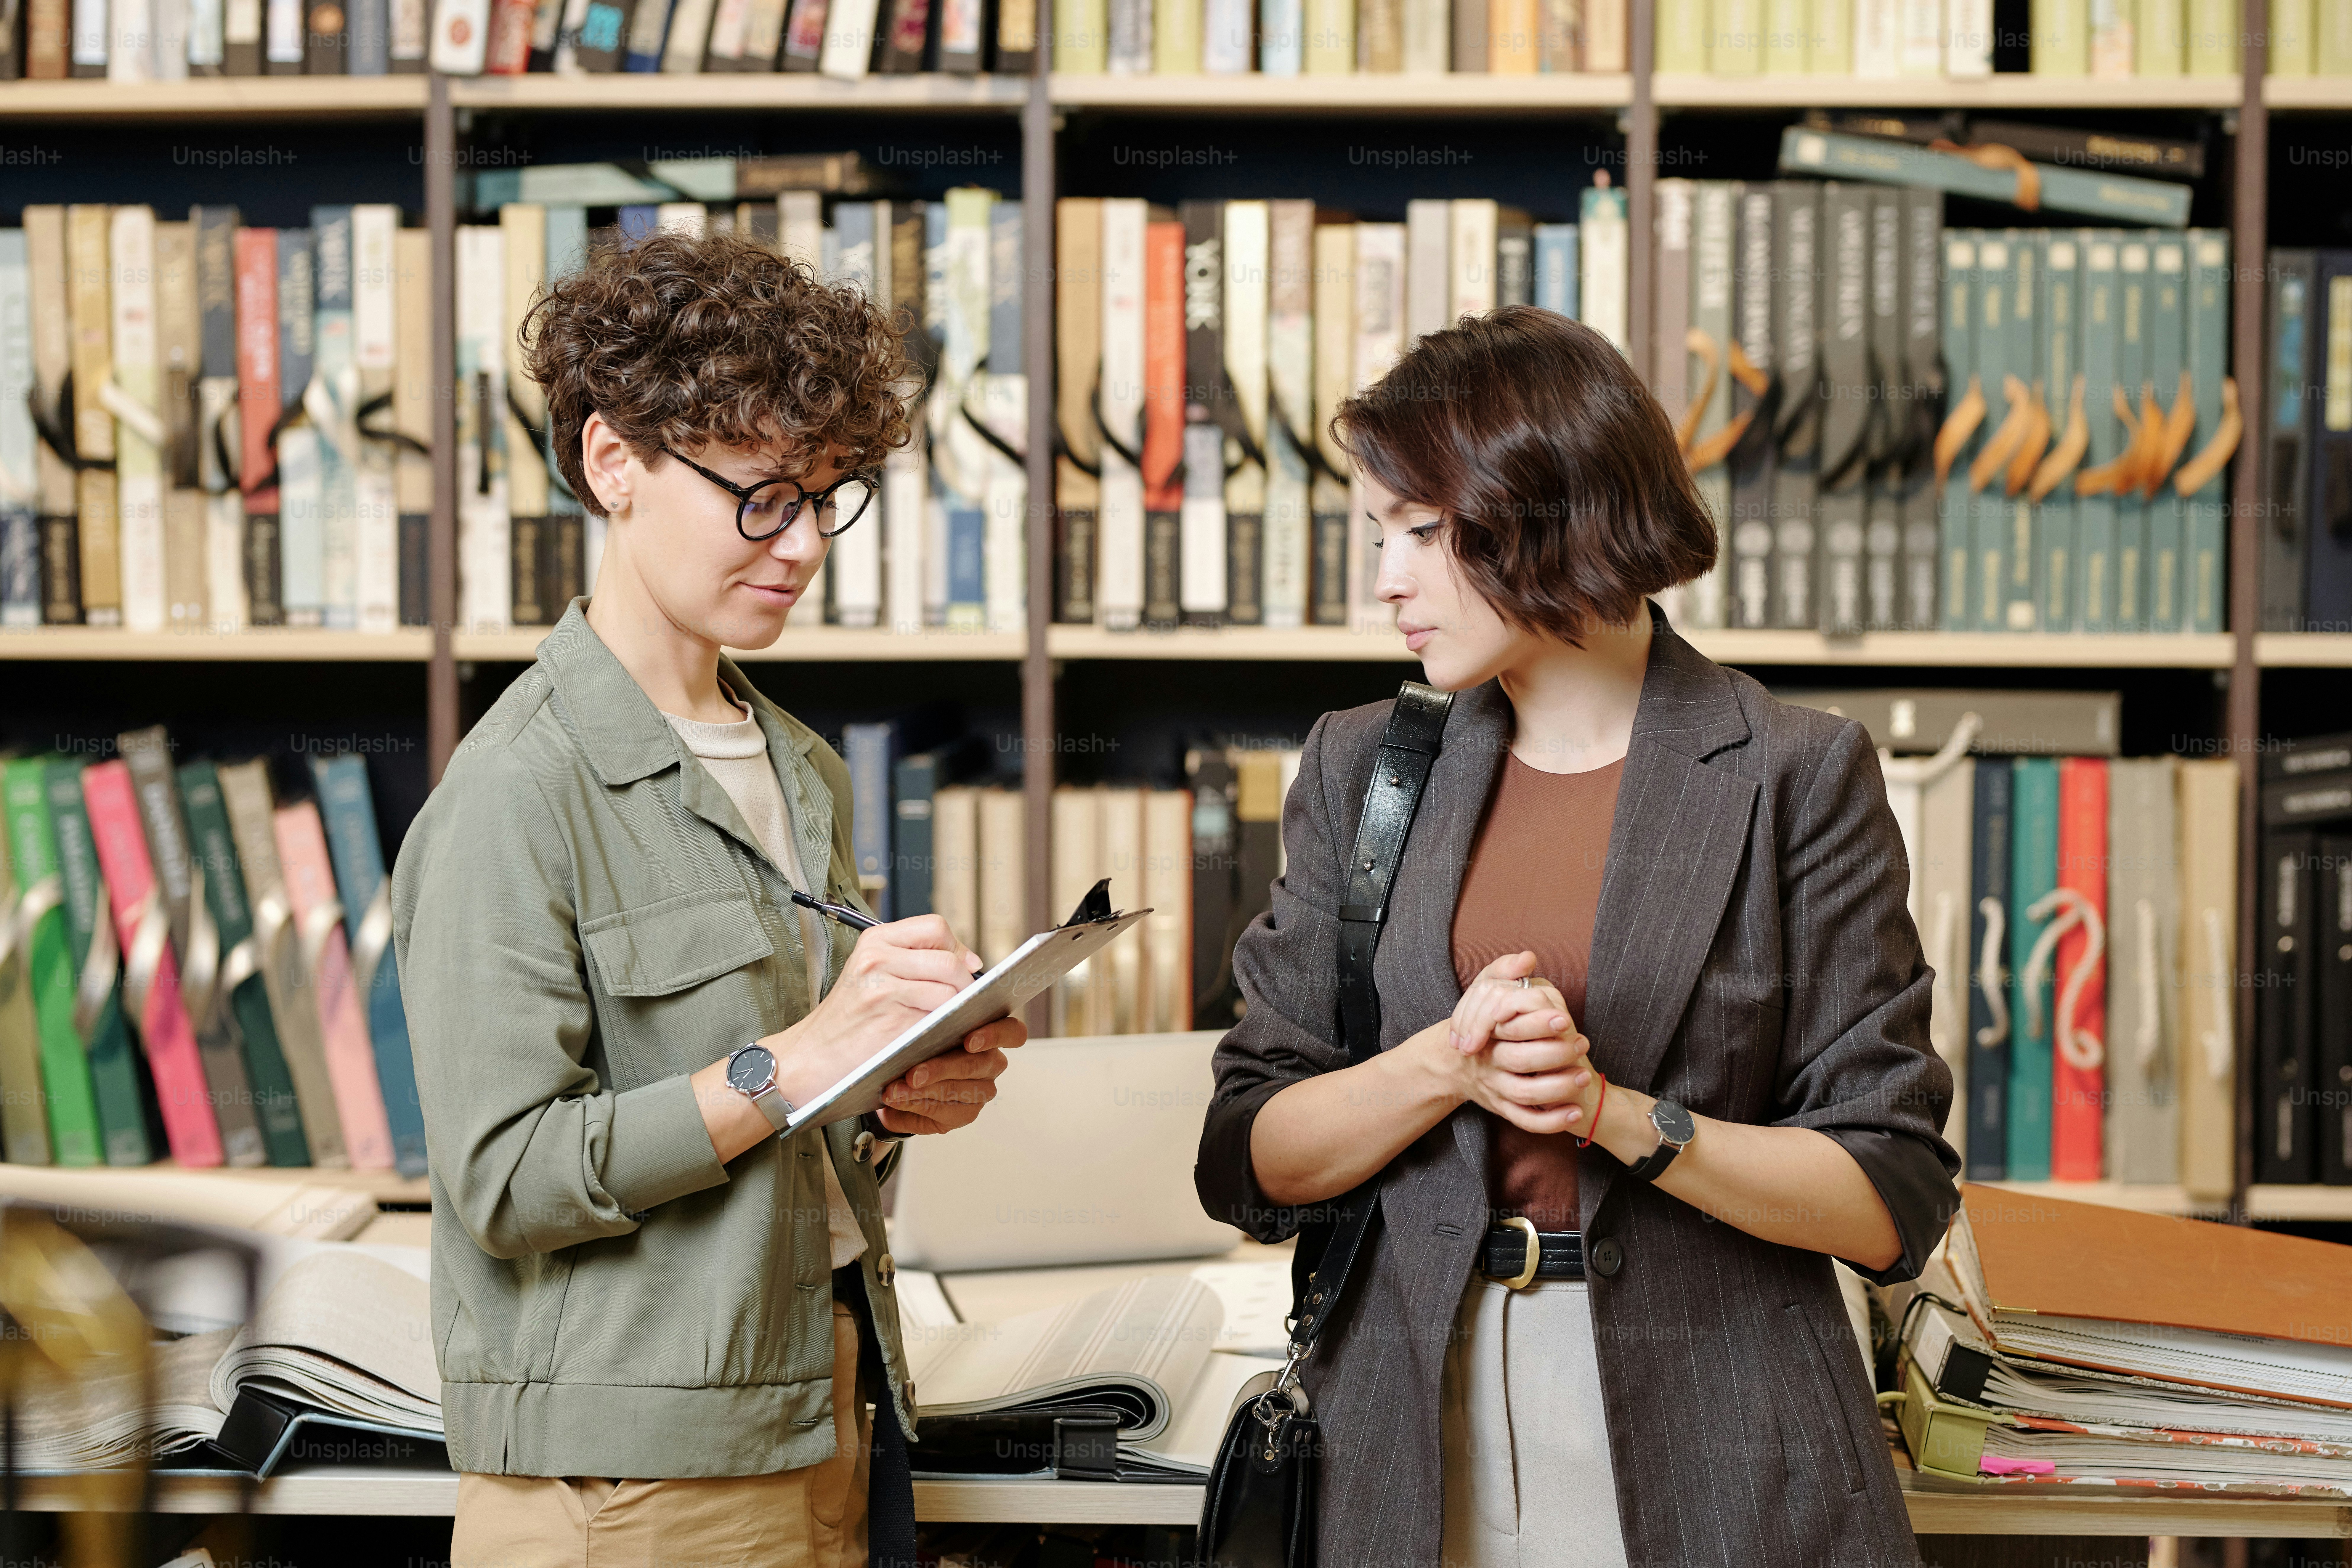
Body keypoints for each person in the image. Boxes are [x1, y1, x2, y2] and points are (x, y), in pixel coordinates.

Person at [1196, 304, 1960, 1568]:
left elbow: (1890, 1195)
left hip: (1722, 1426)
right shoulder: (1361, 767)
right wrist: (1445, 1063)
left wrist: (1615, 1113)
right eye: (1378, 534)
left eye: (1424, 534)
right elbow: (1247, 1154)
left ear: (1546, 508)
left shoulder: (1794, 770)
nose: (1386, 578)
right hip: (1403, 1419)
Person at [391, 230, 1023, 1568]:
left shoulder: (797, 763)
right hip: (633, 1486)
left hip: (824, 1409)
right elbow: (501, 1178)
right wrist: (797, 1060)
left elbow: (777, 1128)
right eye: (761, 496)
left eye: (827, 498)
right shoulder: (514, 788)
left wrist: (894, 1092)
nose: (801, 546)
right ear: (613, 462)